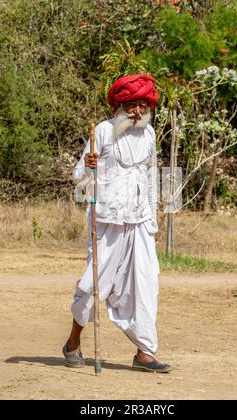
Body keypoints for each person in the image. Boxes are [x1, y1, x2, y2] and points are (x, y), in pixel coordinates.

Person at [63, 74, 171, 373]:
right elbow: (78, 177)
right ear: (119, 106)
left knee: (146, 285)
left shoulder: (149, 135)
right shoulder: (102, 131)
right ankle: (73, 343)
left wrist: (153, 219)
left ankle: (144, 353)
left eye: (142, 106)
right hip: (107, 222)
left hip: (140, 222)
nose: (137, 112)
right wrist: (88, 166)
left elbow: (150, 178)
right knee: (94, 284)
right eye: (132, 106)